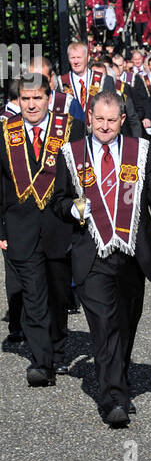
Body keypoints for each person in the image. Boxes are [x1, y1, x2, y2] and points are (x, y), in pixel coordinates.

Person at [51, 90, 151, 426]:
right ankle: (114, 398)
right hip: (92, 255)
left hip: (133, 254)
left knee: (125, 322)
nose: (104, 126)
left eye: (111, 120)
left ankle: (119, 378)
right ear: (89, 118)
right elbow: (57, 200)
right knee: (104, 327)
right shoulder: (71, 154)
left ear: (122, 120)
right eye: (99, 119)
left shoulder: (140, 151)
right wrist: (71, 207)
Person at [0, 74, 84, 385]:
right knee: (33, 296)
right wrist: (1, 229)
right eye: (25, 99)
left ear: (49, 98)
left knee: (58, 295)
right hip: (21, 226)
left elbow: (81, 177)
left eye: (37, 98)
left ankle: (59, 352)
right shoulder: (5, 132)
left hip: (59, 226)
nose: (32, 104)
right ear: (17, 101)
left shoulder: (71, 129)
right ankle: (41, 363)